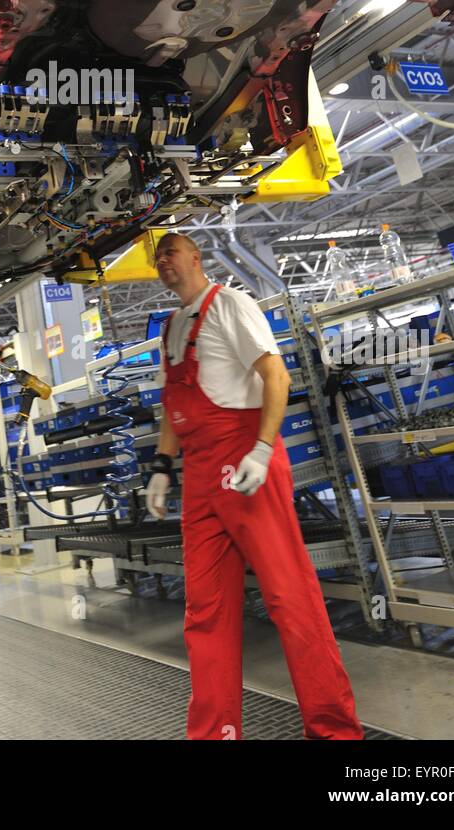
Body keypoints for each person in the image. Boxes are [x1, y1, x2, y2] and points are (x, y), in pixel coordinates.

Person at [148, 232, 362, 741]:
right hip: (200, 477)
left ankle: (334, 732)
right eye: (156, 259)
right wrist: (162, 464)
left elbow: (276, 376)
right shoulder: (173, 326)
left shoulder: (230, 305)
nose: (162, 263)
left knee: (290, 597)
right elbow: (173, 406)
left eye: (170, 253)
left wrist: (263, 449)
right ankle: (214, 733)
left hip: (246, 463)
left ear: (195, 258)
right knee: (205, 611)